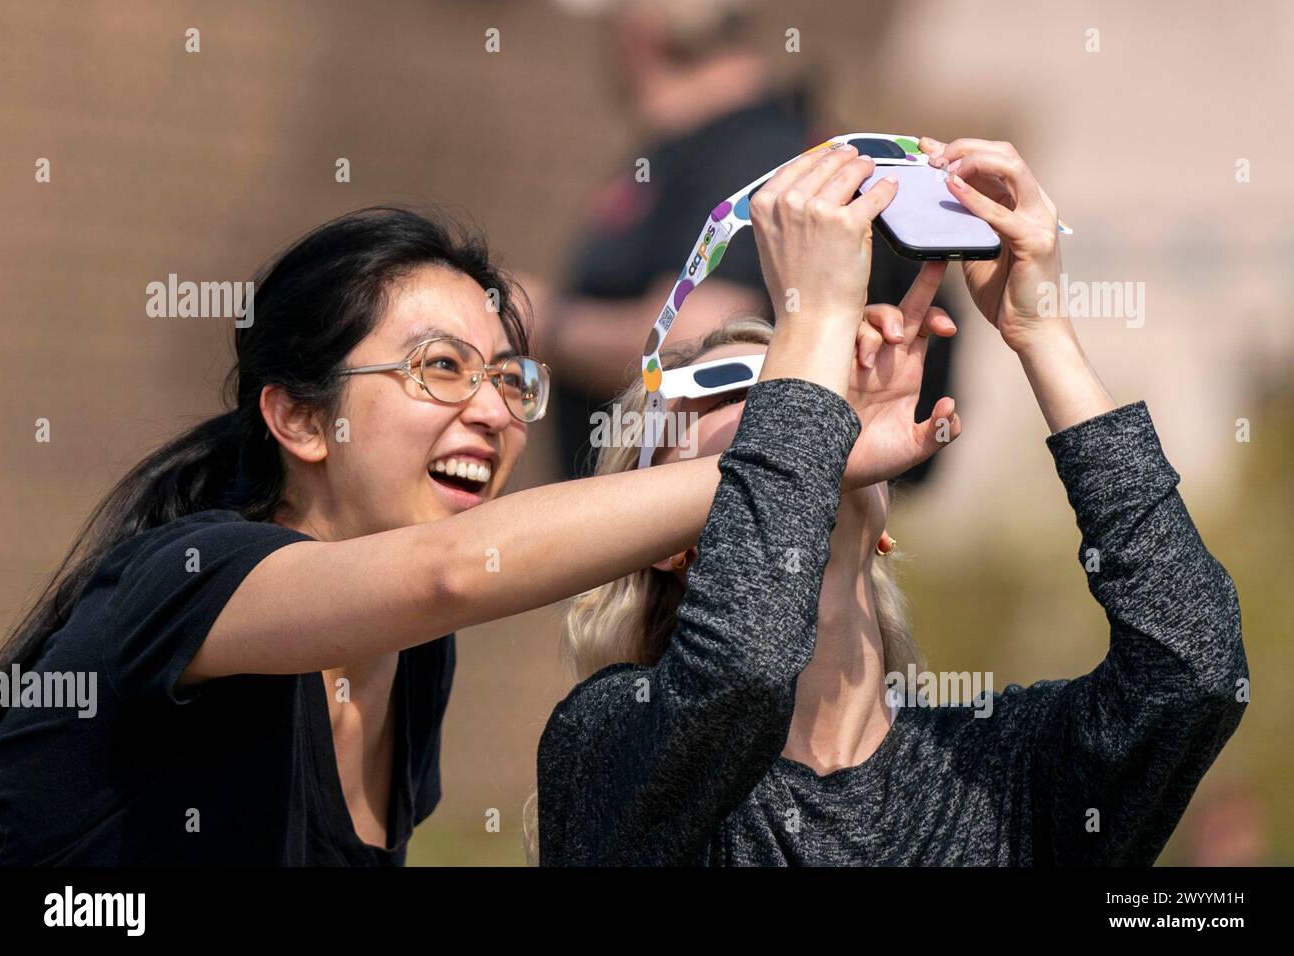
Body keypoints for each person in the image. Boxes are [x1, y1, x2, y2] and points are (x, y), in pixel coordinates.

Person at [0, 200, 875, 865]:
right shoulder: (185, 577)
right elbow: (448, 573)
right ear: (300, 420)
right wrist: (799, 437)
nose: (493, 412)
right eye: (440, 369)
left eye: (507, 379)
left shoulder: (411, 661)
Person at [532, 137, 1249, 865]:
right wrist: (811, 328)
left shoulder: (1001, 773)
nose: (810, 414)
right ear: (664, 534)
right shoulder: (608, 743)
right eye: (746, 391)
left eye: (819, 391)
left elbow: (1195, 667)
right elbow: (740, 673)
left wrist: (1040, 332)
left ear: (883, 526)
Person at [538, 0, 954, 486]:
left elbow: (685, 344)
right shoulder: (712, 144)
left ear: (638, 32)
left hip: (720, 528)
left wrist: (535, 322)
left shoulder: (753, 150)